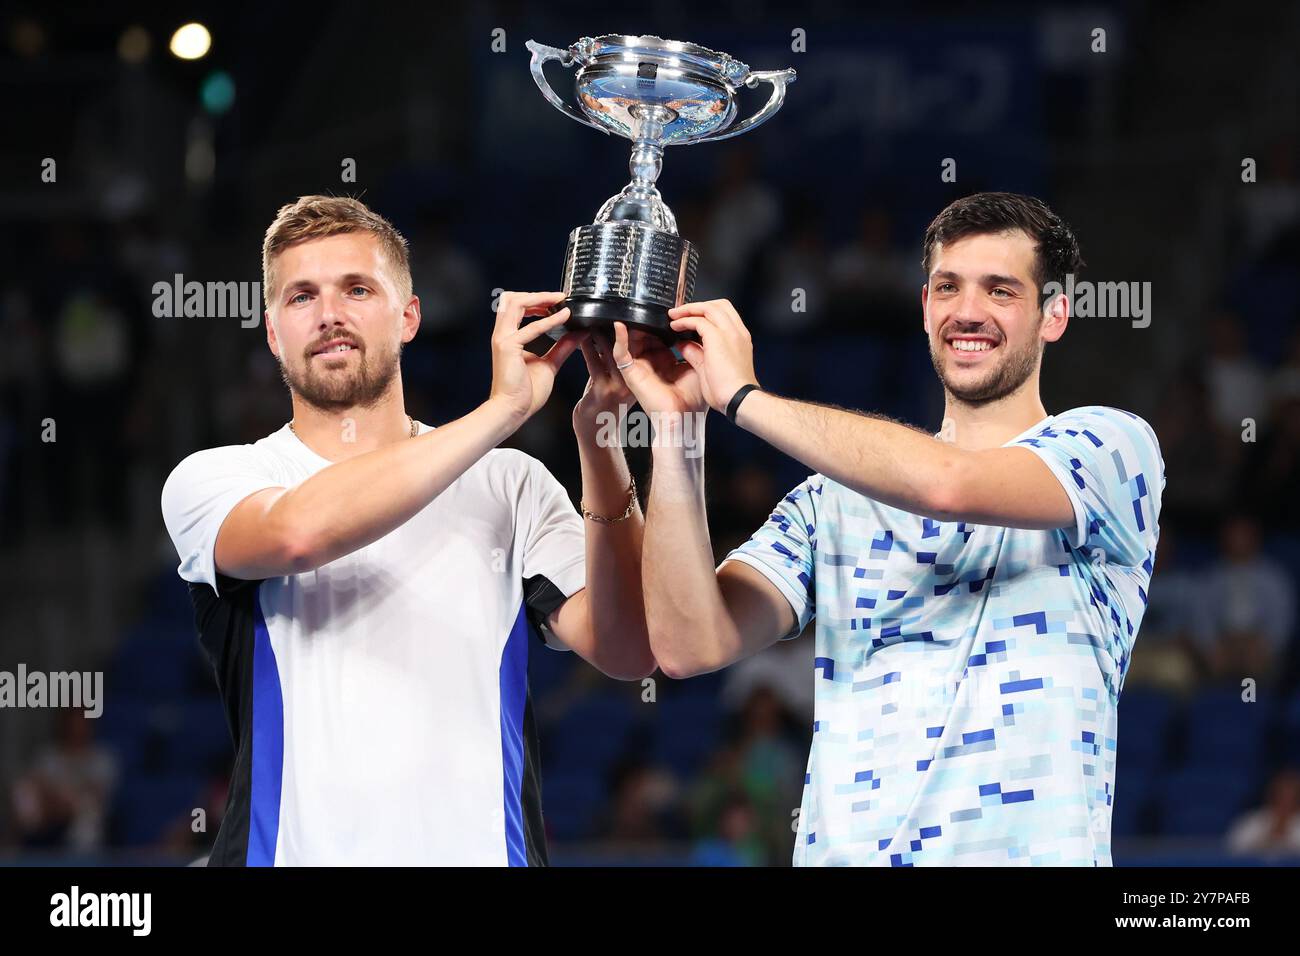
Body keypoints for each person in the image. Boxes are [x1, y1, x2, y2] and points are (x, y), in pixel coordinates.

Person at [617, 191, 1165, 866]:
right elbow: (686, 644)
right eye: (948, 287)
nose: (968, 311)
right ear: (925, 306)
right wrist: (675, 428)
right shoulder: (830, 500)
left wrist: (742, 397)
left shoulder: (1110, 448)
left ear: (1055, 315)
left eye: (1001, 290)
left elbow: (949, 484)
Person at [161, 195, 653, 866]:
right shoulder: (218, 478)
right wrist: (502, 409)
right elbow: (298, 535)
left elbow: (629, 651)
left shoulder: (509, 482)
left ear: (409, 316)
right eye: (301, 297)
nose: (329, 313)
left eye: (357, 289)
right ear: (274, 334)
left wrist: (599, 439)